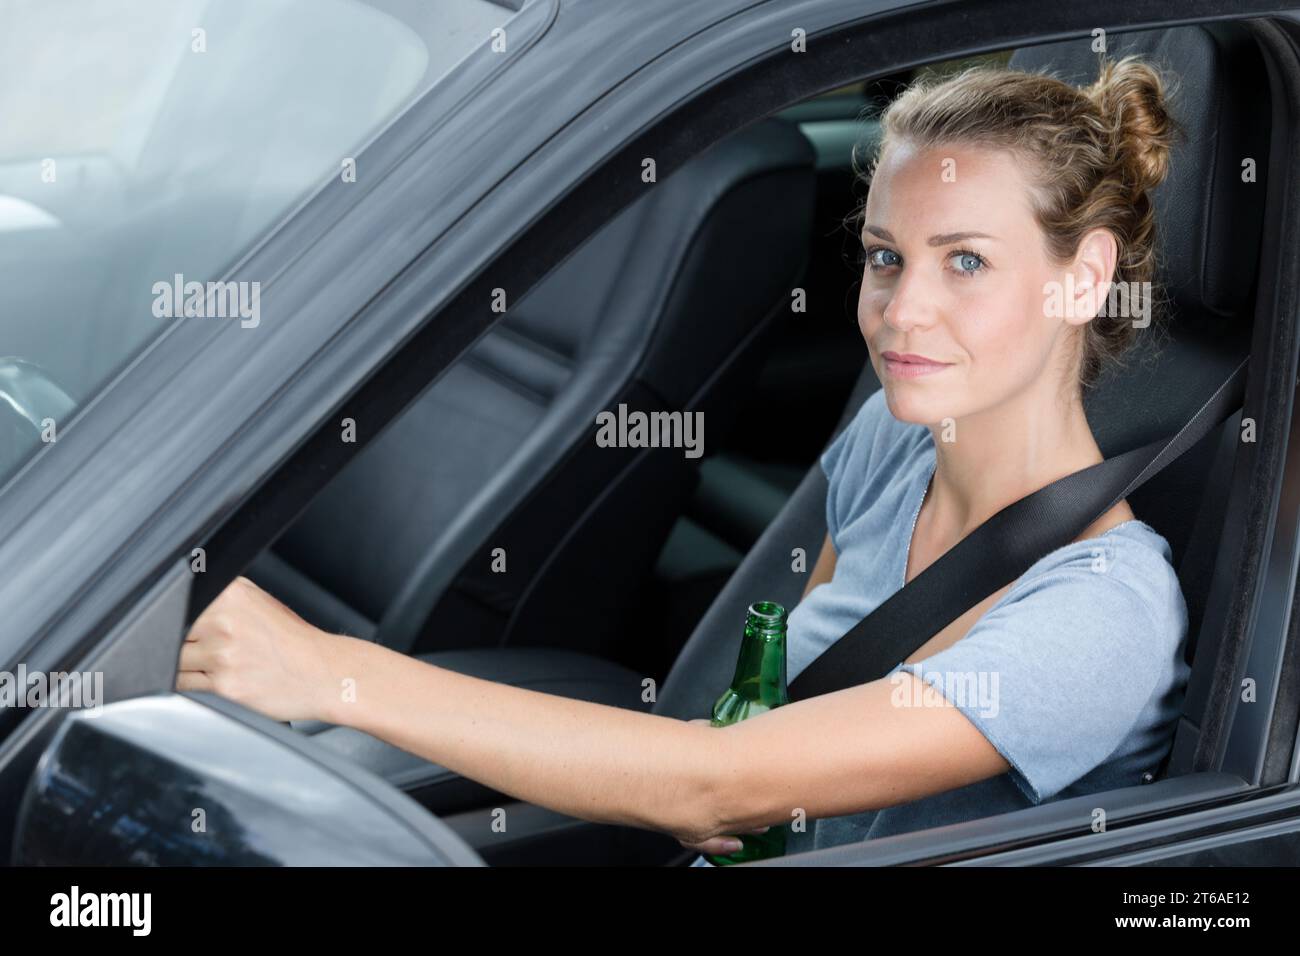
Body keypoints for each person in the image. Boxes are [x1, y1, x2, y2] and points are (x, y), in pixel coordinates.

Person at [178, 55, 1189, 861]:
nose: (899, 309)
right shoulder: (894, 439)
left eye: (964, 260)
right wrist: (719, 780)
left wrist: (323, 671)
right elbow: (771, 715)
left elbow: (720, 779)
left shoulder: (1098, 619)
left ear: (1081, 277)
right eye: (886, 256)